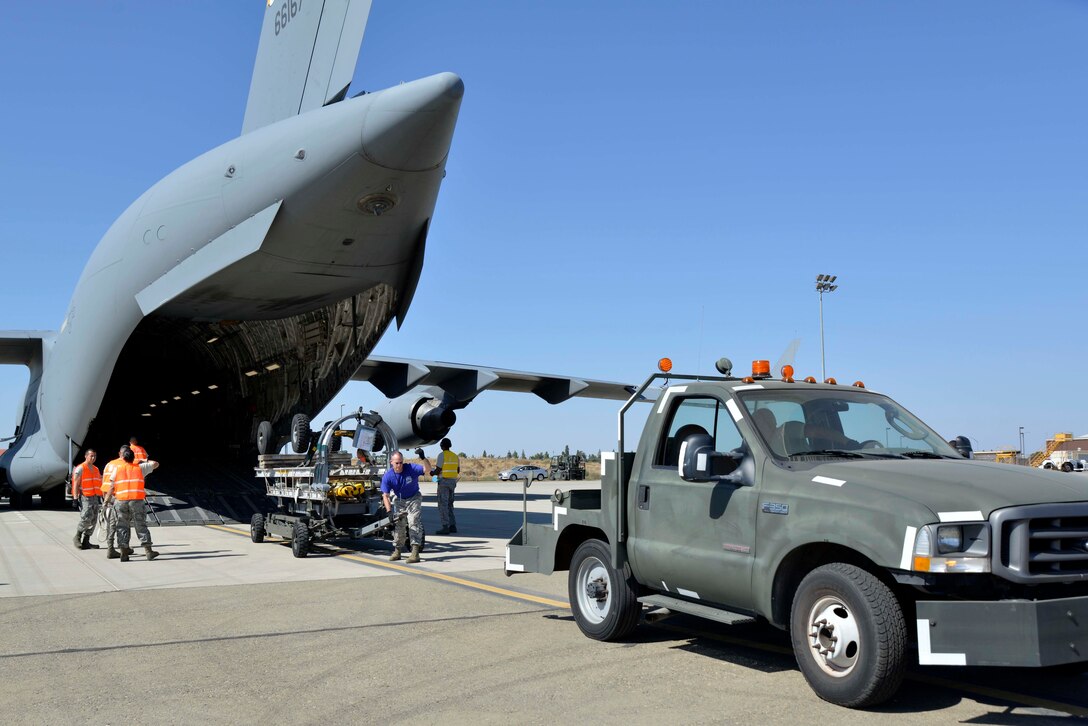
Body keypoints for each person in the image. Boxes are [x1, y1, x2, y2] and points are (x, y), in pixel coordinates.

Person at [108, 447, 161, 562]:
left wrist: (106, 501)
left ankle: (123, 553)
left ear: (123, 458)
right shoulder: (140, 468)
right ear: (133, 458)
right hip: (136, 501)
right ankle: (148, 551)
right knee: (140, 524)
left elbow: (111, 486)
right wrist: (142, 461)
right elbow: (156, 464)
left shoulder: (118, 469)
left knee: (122, 526)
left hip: (120, 501)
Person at [380, 448, 431, 564]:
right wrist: (389, 512)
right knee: (399, 525)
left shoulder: (411, 468)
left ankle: (415, 552)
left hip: (414, 497)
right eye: (396, 463)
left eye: (401, 462)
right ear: (391, 462)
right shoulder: (388, 476)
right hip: (400, 500)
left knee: (413, 522)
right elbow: (385, 496)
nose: (399, 465)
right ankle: (397, 550)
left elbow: (427, 469)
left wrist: (423, 458)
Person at [99, 445, 131, 559]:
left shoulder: (109, 464)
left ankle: (110, 548)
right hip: (119, 496)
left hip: (107, 496)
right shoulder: (125, 465)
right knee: (124, 523)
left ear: (119, 453)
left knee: (111, 523)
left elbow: (104, 480)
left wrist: (105, 499)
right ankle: (124, 547)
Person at [71, 449, 103, 550]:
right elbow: (76, 484)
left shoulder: (96, 469)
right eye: (91, 456)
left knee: (93, 520)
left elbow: (99, 483)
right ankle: (78, 536)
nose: (93, 458)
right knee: (86, 517)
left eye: (95, 456)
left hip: (95, 497)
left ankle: (86, 541)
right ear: (86, 456)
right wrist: (75, 498)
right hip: (85, 497)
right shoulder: (80, 468)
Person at [434, 438, 460, 535]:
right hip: (452, 482)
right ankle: (453, 525)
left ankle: (445, 526)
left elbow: (438, 470)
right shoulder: (455, 456)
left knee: (443, 505)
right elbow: (458, 470)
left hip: (444, 482)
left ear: (442, 446)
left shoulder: (442, 455)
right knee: (450, 504)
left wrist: (432, 473)